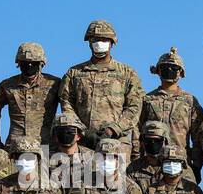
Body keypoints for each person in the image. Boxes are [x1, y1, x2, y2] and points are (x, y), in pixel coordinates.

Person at [57, 20, 143, 157]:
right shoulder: (74, 73)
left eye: (104, 40)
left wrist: (113, 129)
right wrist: (84, 131)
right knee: (83, 177)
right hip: (83, 142)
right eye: (95, 39)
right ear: (89, 42)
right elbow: (66, 103)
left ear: (112, 42)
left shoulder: (127, 73)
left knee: (116, 178)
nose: (99, 43)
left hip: (117, 143)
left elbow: (134, 107)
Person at [139, 47, 203, 181]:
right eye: (165, 67)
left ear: (181, 73)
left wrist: (196, 166)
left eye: (174, 68)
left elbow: (198, 137)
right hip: (151, 165)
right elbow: (138, 132)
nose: (169, 71)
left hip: (180, 164)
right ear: (157, 71)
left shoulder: (190, 101)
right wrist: (137, 158)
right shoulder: (147, 100)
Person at [0, 42, 60, 145]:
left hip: (45, 145)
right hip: (15, 145)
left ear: (41, 63)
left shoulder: (54, 84)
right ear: (18, 63)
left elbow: (68, 106)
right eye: (24, 63)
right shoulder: (7, 85)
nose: (29, 65)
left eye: (34, 62)